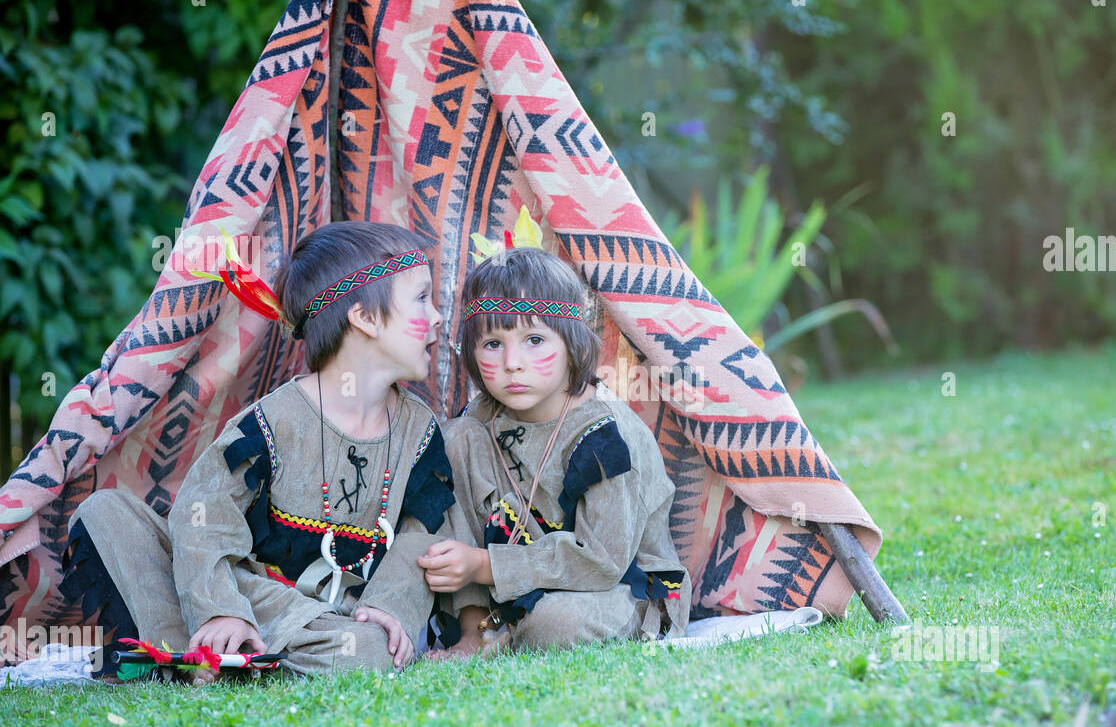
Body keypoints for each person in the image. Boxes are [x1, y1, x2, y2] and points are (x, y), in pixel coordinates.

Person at [62, 221, 457, 682]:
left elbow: (420, 538)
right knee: (106, 512)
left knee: (368, 651)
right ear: (365, 318)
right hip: (251, 593)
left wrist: (388, 608)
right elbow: (203, 518)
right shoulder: (271, 422)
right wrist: (220, 609)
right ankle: (217, 638)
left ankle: (206, 661)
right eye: (422, 299)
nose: (437, 317)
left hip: (340, 621)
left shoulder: (419, 430)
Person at [418, 238, 691, 657]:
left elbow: (603, 561)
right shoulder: (481, 418)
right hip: (519, 581)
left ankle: (510, 631)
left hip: (620, 585)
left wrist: (481, 565)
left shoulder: (607, 434)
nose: (512, 362)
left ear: (573, 345)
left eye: (534, 341)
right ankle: (475, 632)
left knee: (554, 623)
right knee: (454, 437)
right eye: (493, 344)